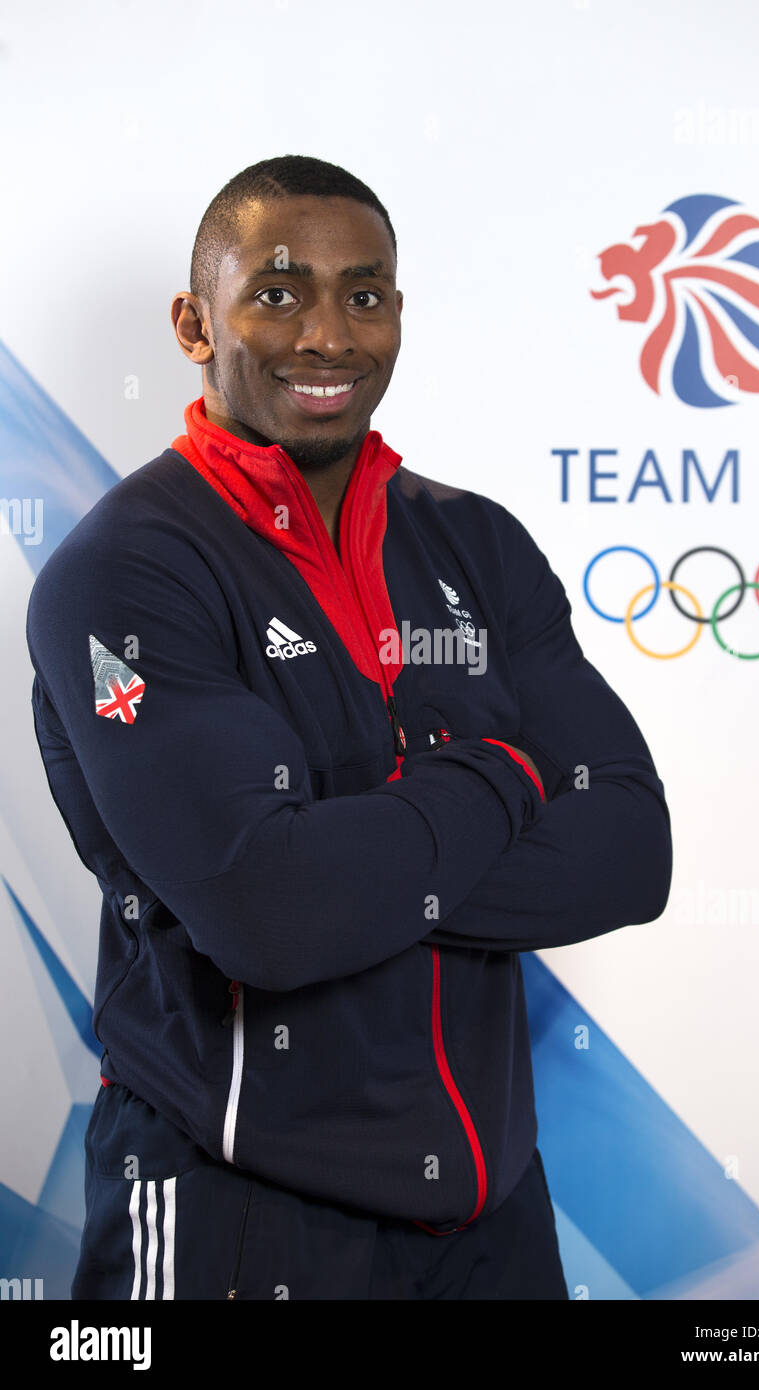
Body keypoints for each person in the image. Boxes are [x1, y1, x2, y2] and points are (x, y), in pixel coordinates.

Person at [25, 154, 672, 1301]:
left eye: (362, 294)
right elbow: (270, 918)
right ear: (193, 322)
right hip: (237, 1211)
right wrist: (504, 775)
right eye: (277, 292)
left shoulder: (478, 544)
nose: (327, 333)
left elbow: (630, 850)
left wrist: (333, 859)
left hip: (491, 1219)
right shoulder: (126, 571)